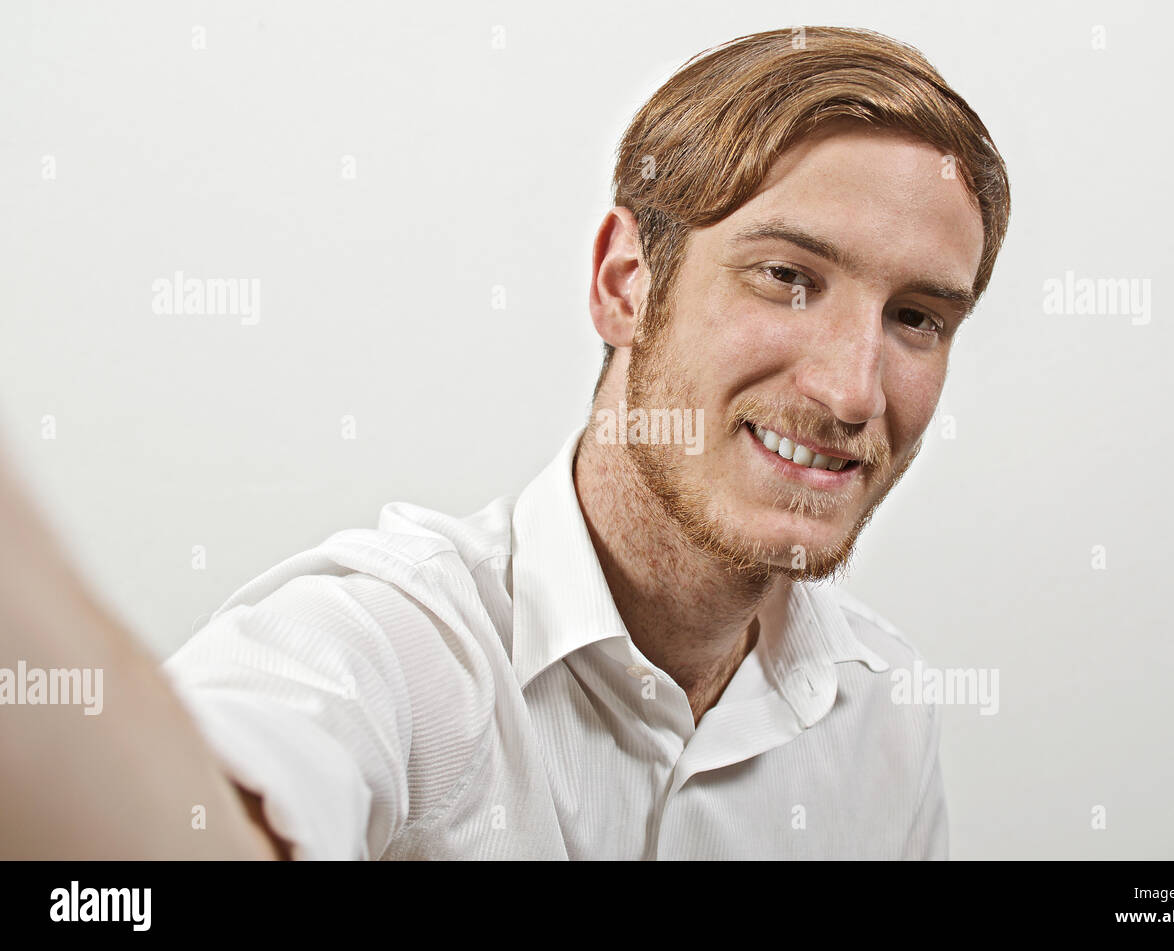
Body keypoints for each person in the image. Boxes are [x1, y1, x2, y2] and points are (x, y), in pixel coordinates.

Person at [0, 25, 1009, 860]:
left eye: (917, 317)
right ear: (625, 284)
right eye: (787, 277)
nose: (851, 389)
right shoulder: (389, 651)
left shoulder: (883, 713)